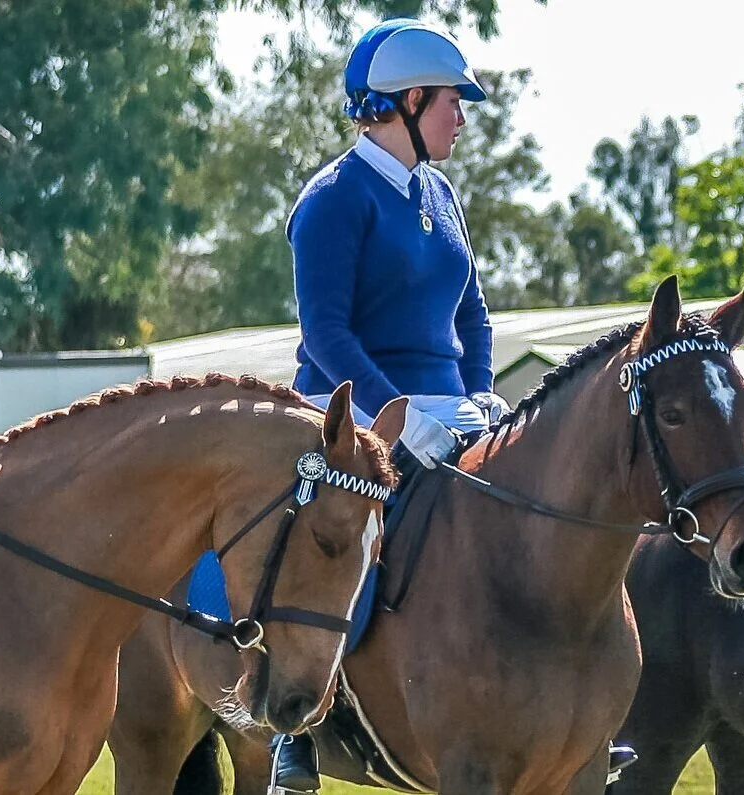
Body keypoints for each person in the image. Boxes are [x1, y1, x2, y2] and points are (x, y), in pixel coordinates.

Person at [273, 18, 501, 793]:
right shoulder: (332, 199)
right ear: (408, 101)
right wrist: (399, 413)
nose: (461, 116)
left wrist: (480, 392)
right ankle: (300, 723)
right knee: (342, 534)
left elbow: (473, 315)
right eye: (451, 102)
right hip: (350, 408)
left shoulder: (441, 193)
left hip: (454, 407)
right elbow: (326, 332)